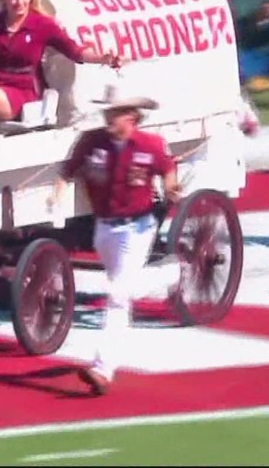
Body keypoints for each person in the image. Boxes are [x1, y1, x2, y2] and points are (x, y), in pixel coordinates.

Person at [49, 85, 181, 395]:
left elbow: (168, 169)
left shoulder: (151, 144)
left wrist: (172, 187)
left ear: (132, 117)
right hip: (105, 227)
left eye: (117, 112)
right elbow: (67, 171)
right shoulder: (91, 142)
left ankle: (103, 369)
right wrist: (56, 193)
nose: (110, 117)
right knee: (122, 287)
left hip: (138, 226)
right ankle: (172, 273)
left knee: (118, 295)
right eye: (108, 111)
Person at [0, 0, 119, 166]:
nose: (20, 3)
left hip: (22, 90)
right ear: (4, 0)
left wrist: (104, 58)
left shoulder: (41, 25)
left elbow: (74, 51)